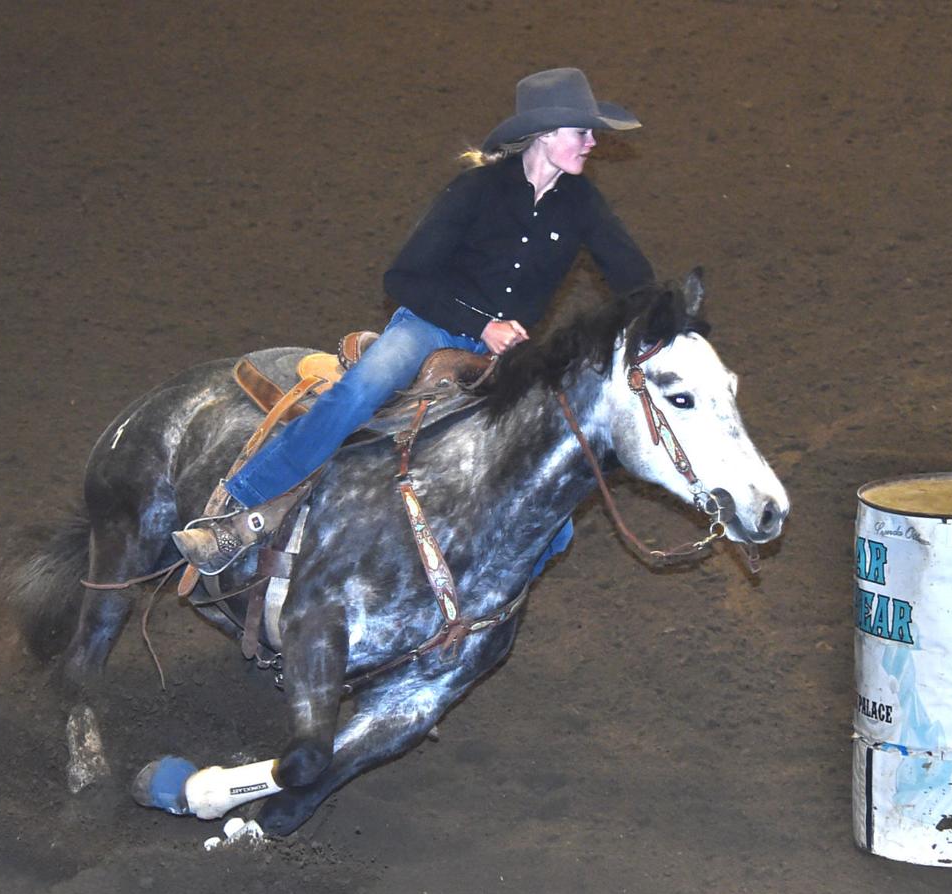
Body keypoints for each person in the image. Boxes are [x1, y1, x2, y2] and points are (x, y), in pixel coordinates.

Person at [173, 67, 655, 575]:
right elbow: (404, 278)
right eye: (582, 131)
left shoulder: (582, 203)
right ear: (547, 134)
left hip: (505, 354)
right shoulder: (477, 189)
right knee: (363, 390)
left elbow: (633, 277)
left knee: (554, 524)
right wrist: (484, 323)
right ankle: (236, 512)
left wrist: (666, 316)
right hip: (431, 326)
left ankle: (481, 603)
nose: (592, 142)